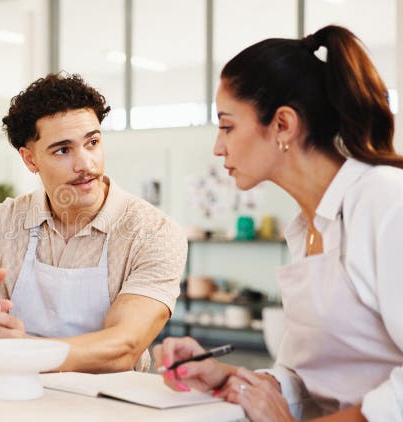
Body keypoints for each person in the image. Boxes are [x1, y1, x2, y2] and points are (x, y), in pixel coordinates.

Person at [153, 25, 403, 422]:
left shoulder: (386, 202)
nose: (219, 147)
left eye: (228, 126)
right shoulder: (304, 229)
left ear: (283, 125)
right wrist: (229, 379)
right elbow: (310, 378)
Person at [0, 73, 187, 373]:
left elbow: (123, 346)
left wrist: (24, 351)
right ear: (30, 159)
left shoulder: (154, 232)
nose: (85, 164)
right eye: (63, 150)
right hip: (18, 394)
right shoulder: (2, 223)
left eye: (92, 142)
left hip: (111, 407)